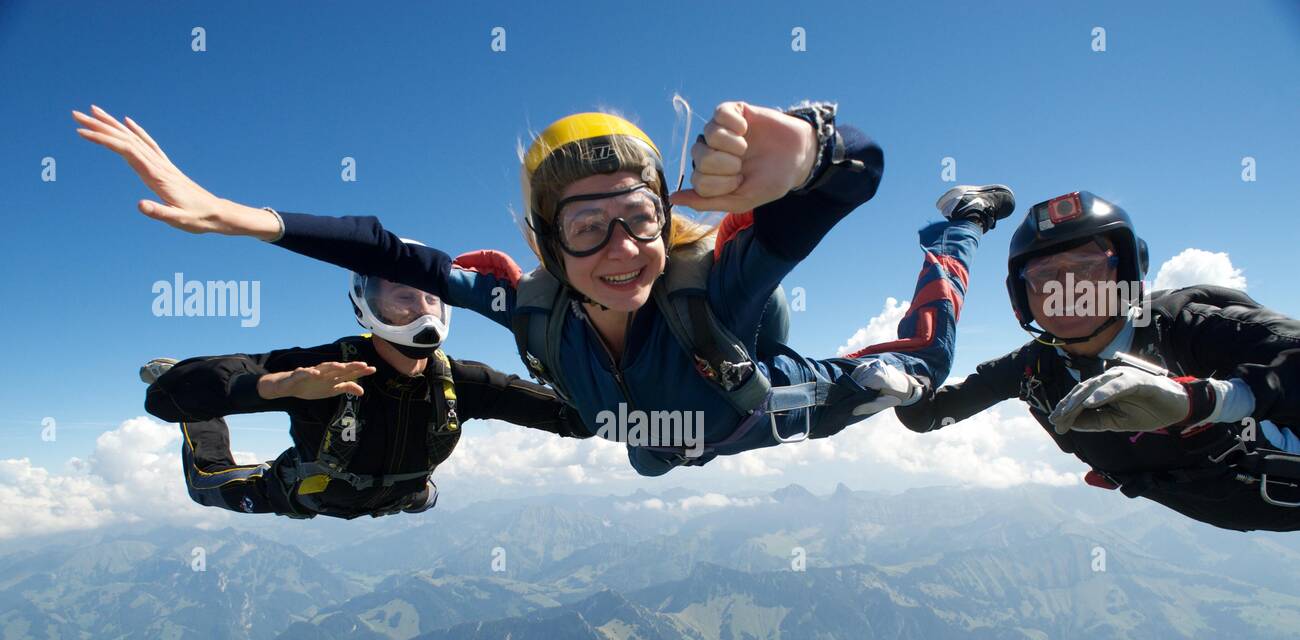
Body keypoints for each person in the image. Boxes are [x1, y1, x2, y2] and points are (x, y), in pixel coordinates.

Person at [76, 102, 1014, 476]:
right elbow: (391, 252)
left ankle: (958, 227)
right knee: (649, 457)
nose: (622, 248)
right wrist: (243, 218)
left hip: (759, 403)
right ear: (541, 240)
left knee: (919, 369)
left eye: (640, 217)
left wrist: (813, 148)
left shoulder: (711, 286)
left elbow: (858, 176)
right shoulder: (524, 303)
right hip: (658, 433)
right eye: (585, 225)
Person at [896, 191, 1300, 532]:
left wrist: (1202, 401)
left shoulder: (1187, 328)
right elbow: (929, 415)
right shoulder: (1034, 370)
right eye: (1042, 276)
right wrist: (903, 385)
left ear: (1126, 273)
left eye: (1088, 267)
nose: (1067, 288)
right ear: (1023, 298)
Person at [141, 258, 590, 520]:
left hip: (401, 493)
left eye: (429, 297)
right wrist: (277, 386)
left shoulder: (463, 382)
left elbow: (576, 417)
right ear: (367, 306)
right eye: (400, 297)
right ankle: (190, 387)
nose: (419, 309)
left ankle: (415, 494)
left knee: (419, 495)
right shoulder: (322, 369)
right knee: (204, 481)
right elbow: (163, 401)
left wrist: (566, 334)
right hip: (306, 493)